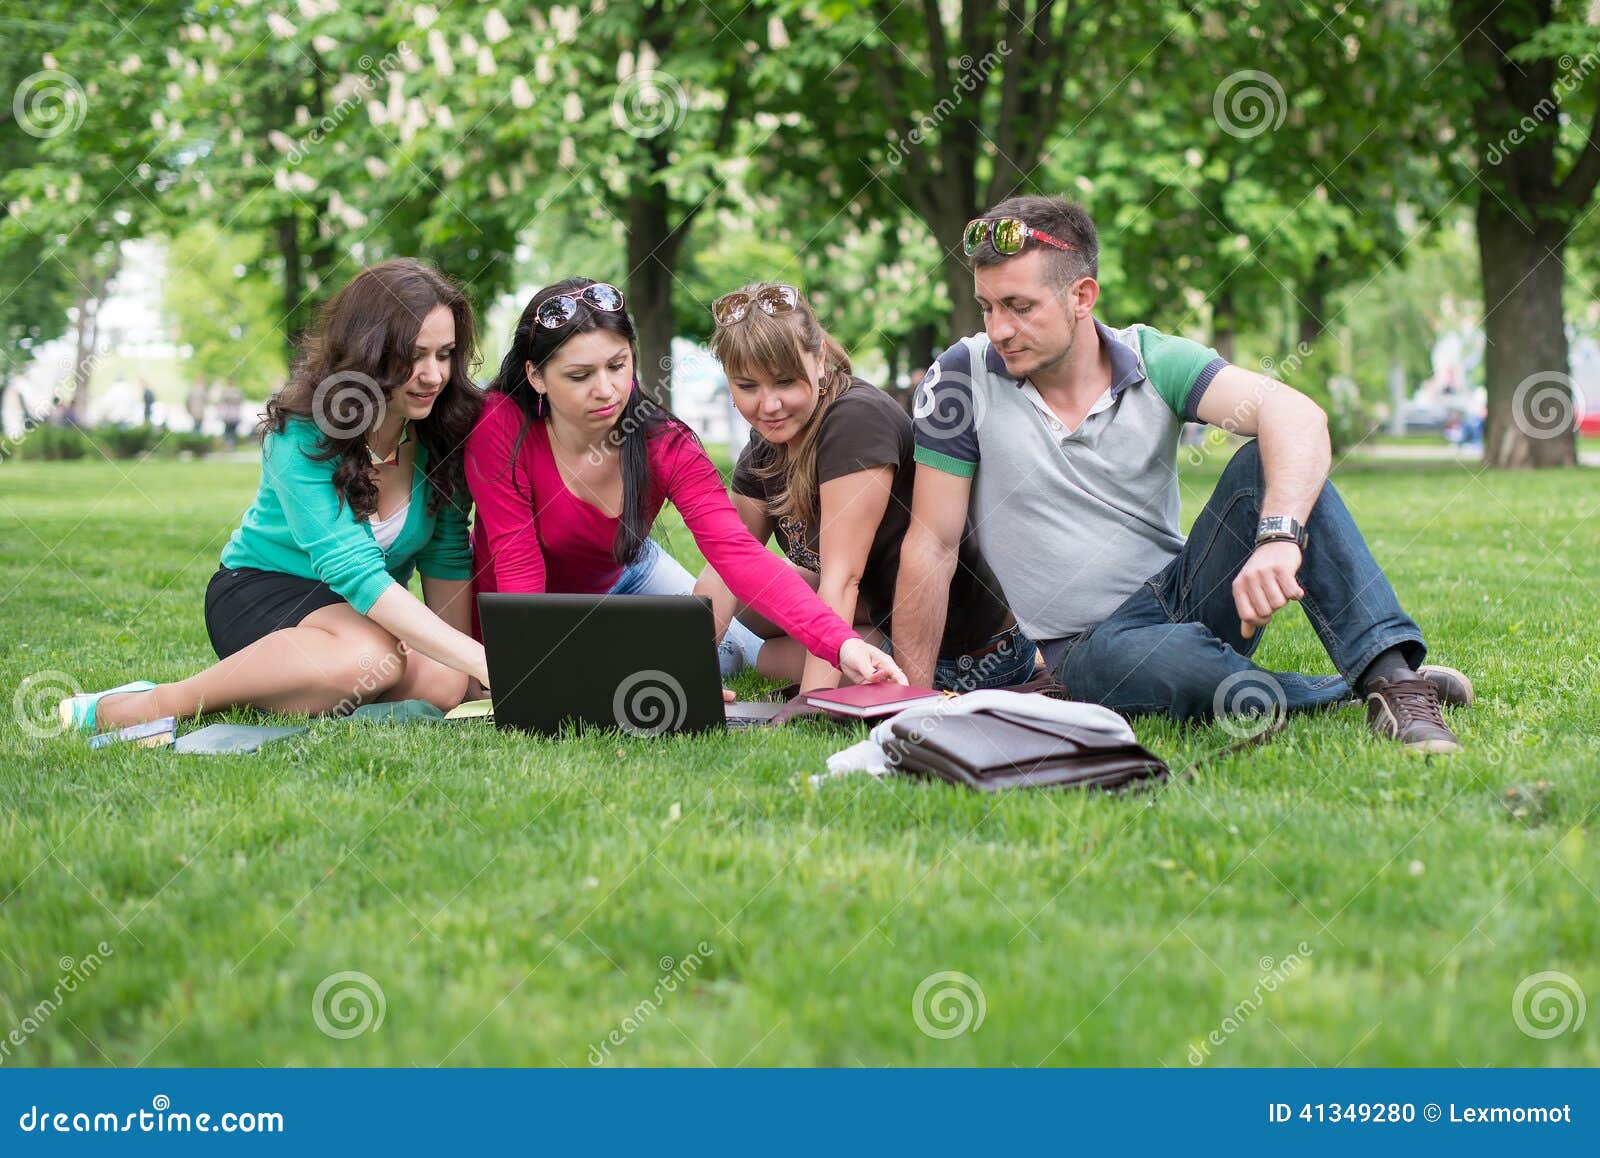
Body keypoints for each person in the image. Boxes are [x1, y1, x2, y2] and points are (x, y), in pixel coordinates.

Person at [892, 195, 1474, 753]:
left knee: (1267, 462)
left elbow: (1297, 416)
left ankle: (1396, 682)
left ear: (1082, 296)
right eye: (988, 307)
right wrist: (914, 703)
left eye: (1019, 307)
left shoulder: (1153, 358)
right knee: (1175, 670)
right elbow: (934, 542)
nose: (999, 330)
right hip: (1085, 650)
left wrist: (1277, 537)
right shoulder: (961, 379)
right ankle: (1351, 688)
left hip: (1185, 597)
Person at [61, 258, 488, 734]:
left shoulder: (442, 433)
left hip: (362, 614)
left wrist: (467, 667)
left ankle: (298, 698)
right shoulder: (304, 434)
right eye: (413, 355)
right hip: (264, 589)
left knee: (444, 682)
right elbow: (356, 573)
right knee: (374, 658)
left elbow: (446, 557)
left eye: (445, 354)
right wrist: (481, 659)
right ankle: (154, 702)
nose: (433, 375)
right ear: (367, 351)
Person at [464, 277, 904, 689]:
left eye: (618, 365)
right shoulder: (500, 425)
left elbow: (739, 556)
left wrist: (840, 643)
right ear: (536, 376)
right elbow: (518, 574)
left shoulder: (664, 442)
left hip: (626, 573)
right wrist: (540, 675)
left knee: (722, 657)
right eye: (580, 376)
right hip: (535, 605)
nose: (607, 389)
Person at [703, 281, 1036, 695]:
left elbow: (842, 581)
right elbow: (728, 559)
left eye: (785, 382)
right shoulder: (770, 438)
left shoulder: (855, 423)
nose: (768, 405)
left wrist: (812, 705)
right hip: (880, 614)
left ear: (819, 357)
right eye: (748, 386)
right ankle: (733, 655)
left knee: (771, 658)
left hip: (965, 654)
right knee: (754, 597)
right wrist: (684, 677)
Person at [218, 380, 244, 449]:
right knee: (228, 431)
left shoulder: (236, 391)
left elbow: (240, 401)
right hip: (228, 414)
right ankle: (228, 445)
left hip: (233, 414)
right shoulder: (227, 391)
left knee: (231, 431)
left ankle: (231, 445)